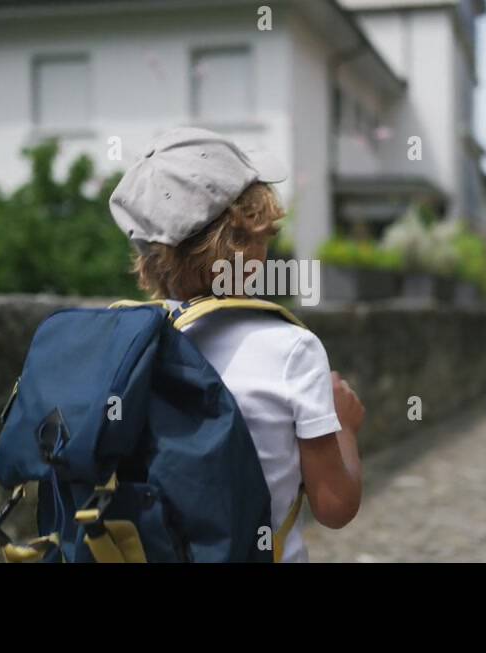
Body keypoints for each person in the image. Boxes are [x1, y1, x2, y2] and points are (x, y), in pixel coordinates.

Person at [109, 127, 364, 562]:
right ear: (241, 244)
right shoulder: (291, 350)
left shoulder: (121, 340)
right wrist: (344, 428)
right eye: (262, 236)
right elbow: (335, 506)